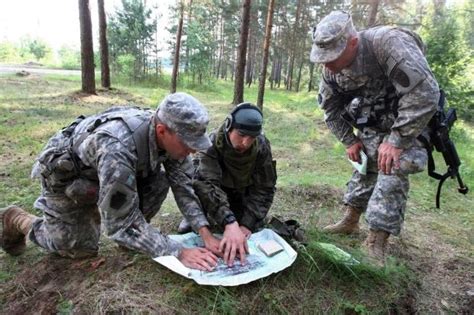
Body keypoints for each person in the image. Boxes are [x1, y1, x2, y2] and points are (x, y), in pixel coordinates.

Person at [0, 92, 220, 271]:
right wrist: (178, 251)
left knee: (158, 182)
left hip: (111, 177)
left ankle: (134, 238)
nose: (192, 150)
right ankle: (17, 219)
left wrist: (205, 233)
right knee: (78, 248)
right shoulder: (117, 147)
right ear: (162, 131)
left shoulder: (171, 138)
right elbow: (119, 224)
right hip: (70, 181)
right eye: (188, 143)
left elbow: (184, 188)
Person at [310, 11, 439, 264]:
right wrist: (349, 140)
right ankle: (350, 220)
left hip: (409, 122)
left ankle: (376, 240)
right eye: (322, 58)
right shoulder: (331, 70)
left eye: (332, 57)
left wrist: (396, 140)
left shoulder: (388, 43)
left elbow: (426, 93)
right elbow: (330, 110)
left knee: (393, 164)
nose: (326, 65)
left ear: (353, 43)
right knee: (365, 160)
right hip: (373, 123)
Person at [178, 103, 277, 266]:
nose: (245, 142)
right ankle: (195, 216)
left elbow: (264, 188)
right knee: (198, 182)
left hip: (241, 191)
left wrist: (246, 225)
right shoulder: (210, 144)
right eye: (241, 135)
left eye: (251, 137)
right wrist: (229, 221)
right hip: (215, 192)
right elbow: (208, 186)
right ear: (229, 127)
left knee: (254, 225)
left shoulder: (261, 146)